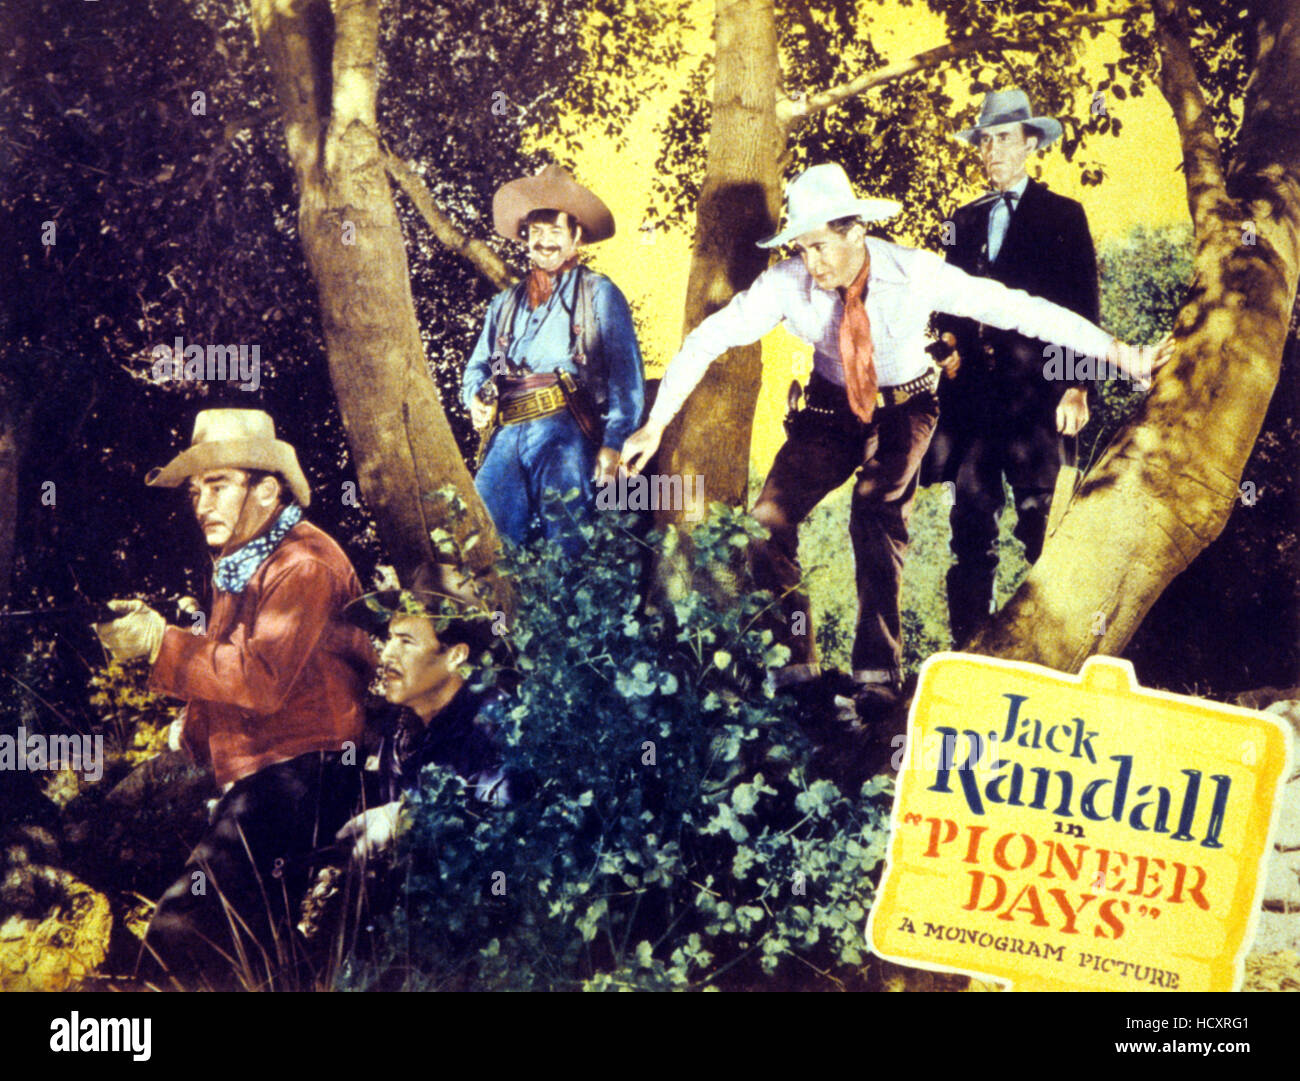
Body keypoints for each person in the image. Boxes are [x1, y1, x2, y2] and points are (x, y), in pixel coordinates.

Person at [620, 163, 1162, 721]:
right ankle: (797, 674)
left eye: (821, 247)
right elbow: (710, 337)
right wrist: (655, 424)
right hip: (830, 409)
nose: (812, 263)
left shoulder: (916, 272)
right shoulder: (787, 282)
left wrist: (1121, 354)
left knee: (876, 514)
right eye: (801, 249)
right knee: (766, 522)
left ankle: (877, 678)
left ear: (856, 231)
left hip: (906, 408)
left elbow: (1023, 310)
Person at [93, 408, 376, 986]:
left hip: (308, 774)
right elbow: (232, 665)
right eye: (197, 490)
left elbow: (259, 678)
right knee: (257, 942)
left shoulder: (304, 562)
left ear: (267, 490)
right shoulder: (245, 558)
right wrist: (191, 727)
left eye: (218, 485)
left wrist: (158, 644)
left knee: (184, 928)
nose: (202, 504)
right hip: (263, 774)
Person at [925, 89, 1102, 646]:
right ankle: (971, 650)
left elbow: (1082, 307)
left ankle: (1061, 647)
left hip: (1038, 398)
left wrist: (1077, 385)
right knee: (972, 526)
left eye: (1003, 138)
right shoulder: (963, 221)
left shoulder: (1063, 216)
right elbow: (943, 302)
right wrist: (946, 343)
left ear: (1030, 143)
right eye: (984, 140)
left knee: (1042, 520)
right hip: (973, 402)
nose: (992, 150)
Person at [462, 164, 645, 554]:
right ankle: (495, 615)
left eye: (555, 232)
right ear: (525, 237)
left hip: (566, 431)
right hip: (505, 432)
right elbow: (478, 365)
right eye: (537, 232)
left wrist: (613, 444)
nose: (544, 242)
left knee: (569, 543)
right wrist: (474, 396)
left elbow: (626, 380)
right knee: (486, 542)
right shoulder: (504, 304)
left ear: (576, 236)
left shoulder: (599, 294)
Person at [334, 562, 514, 864]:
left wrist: (405, 817)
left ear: (455, 655)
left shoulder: (495, 722)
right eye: (390, 638)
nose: (388, 653)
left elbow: (498, 826)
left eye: (406, 641)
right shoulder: (402, 722)